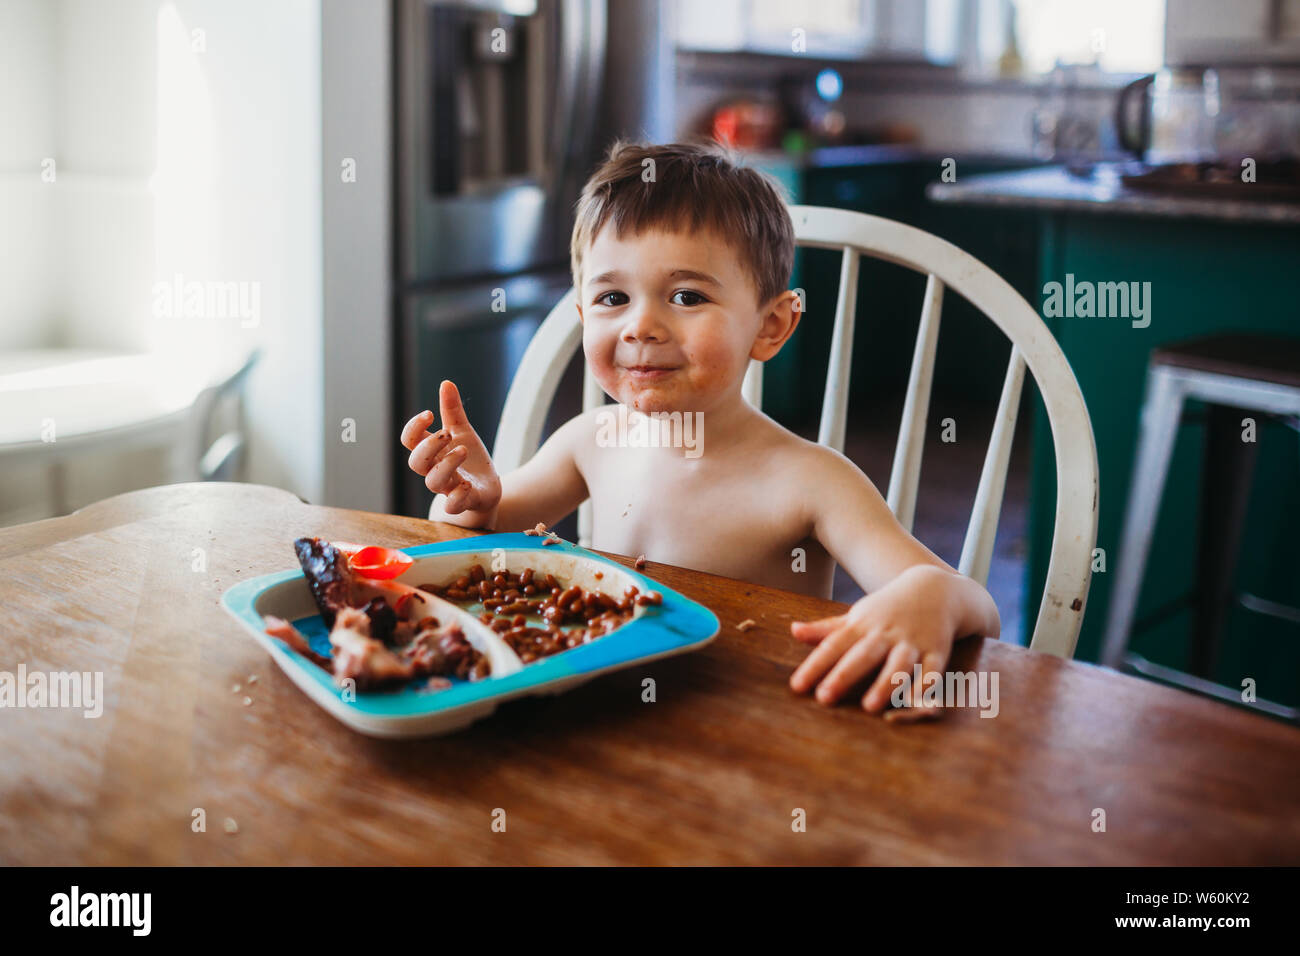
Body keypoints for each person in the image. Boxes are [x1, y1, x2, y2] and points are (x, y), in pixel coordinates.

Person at [401, 141, 999, 720]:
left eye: (686, 296)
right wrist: (469, 500)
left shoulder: (810, 482)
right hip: (597, 716)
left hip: (750, 729)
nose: (641, 326)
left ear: (770, 326)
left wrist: (930, 597)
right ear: (583, 316)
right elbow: (466, 546)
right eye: (613, 296)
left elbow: (979, 609)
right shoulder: (588, 443)